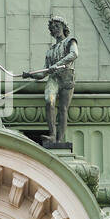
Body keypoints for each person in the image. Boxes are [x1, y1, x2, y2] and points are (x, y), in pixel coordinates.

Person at [21, 16, 78, 144]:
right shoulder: (50, 51)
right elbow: (43, 73)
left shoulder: (70, 41)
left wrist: (57, 64)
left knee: (63, 108)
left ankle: (59, 138)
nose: (55, 29)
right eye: (53, 28)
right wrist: (30, 74)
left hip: (67, 77)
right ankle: (52, 135)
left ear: (64, 27)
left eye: (57, 26)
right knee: (49, 101)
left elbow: (74, 54)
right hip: (54, 79)